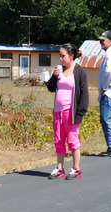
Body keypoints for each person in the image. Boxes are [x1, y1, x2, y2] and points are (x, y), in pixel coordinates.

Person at [46, 43, 89, 180]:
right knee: (59, 140)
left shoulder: (79, 72)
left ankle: (76, 168)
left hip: (71, 111)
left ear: (71, 56)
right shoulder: (60, 70)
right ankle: (60, 168)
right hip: (58, 111)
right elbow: (51, 88)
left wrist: (79, 114)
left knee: (72, 140)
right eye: (60, 55)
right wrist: (54, 76)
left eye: (63, 56)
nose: (61, 58)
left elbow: (84, 94)